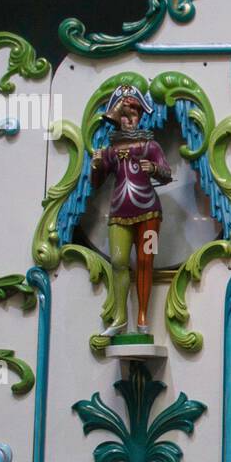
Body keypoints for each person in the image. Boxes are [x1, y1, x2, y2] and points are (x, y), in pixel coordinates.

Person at [90, 85, 173, 337]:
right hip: (119, 212)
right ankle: (120, 317)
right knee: (118, 262)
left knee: (146, 262)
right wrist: (95, 166)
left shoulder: (150, 146)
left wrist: (155, 169)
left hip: (150, 212)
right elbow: (97, 183)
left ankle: (143, 316)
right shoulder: (110, 150)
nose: (128, 119)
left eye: (133, 114)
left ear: (140, 116)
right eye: (123, 115)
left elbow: (167, 174)